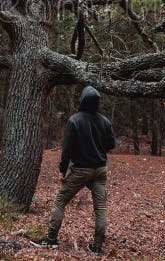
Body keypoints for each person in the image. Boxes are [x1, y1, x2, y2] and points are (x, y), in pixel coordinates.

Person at [31, 85, 116, 254]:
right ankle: (97, 247)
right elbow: (111, 144)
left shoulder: (74, 120)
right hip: (100, 170)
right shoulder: (105, 121)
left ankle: (51, 240)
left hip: (81, 170)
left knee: (60, 200)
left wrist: (62, 170)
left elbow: (67, 149)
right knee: (100, 209)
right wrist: (97, 148)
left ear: (82, 100)